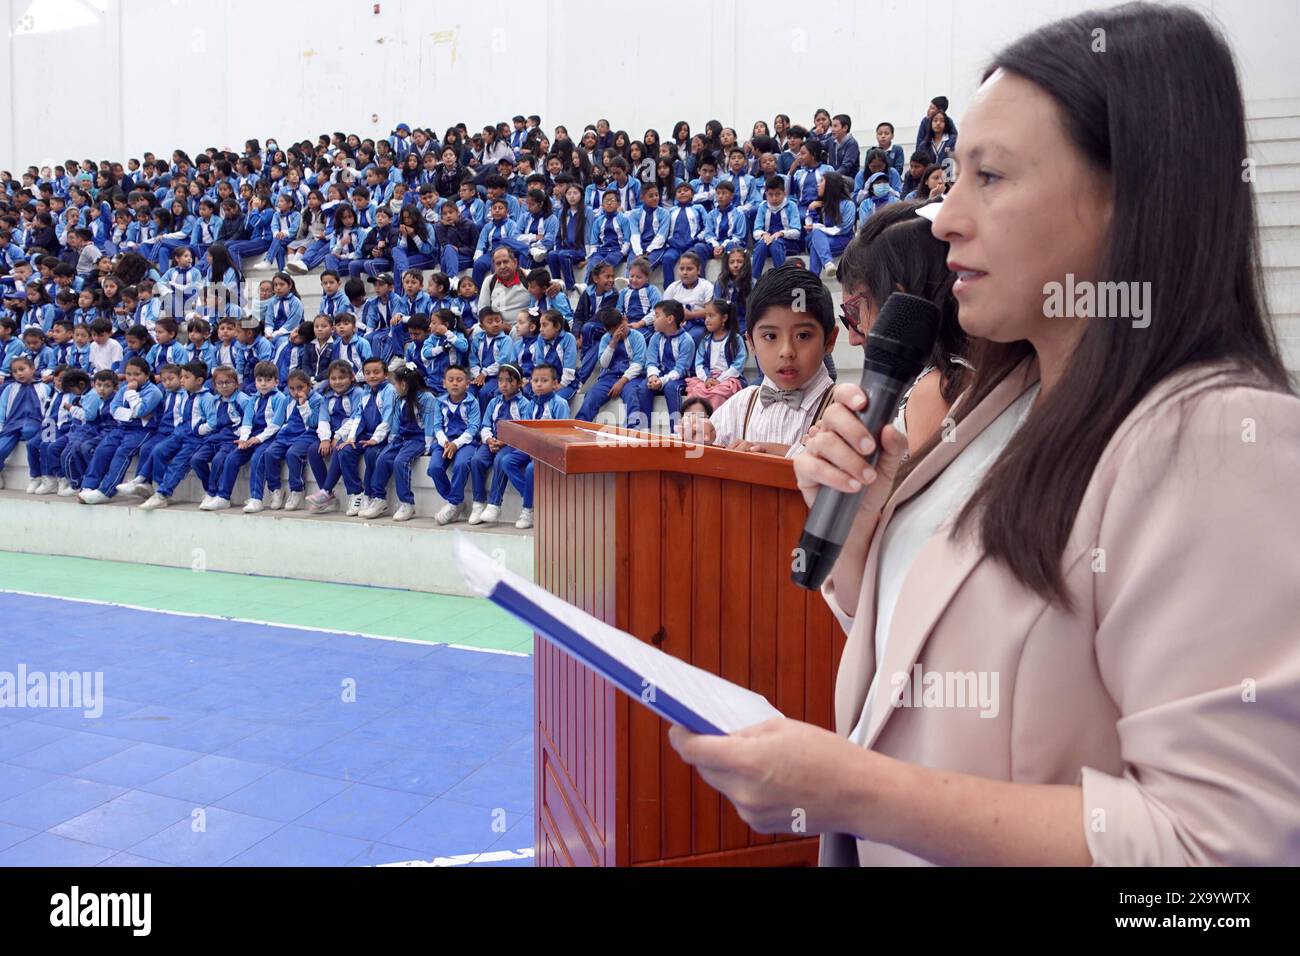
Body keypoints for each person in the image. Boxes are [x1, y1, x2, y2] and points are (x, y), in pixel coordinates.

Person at [670, 4, 1300, 867]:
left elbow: (1217, 869)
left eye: (990, 177)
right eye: (953, 175)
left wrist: (855, 791)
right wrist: (862, 524)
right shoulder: (1007, 394)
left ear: (1132, 196)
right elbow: (926, 648)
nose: (943, 218)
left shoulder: (1221, 440)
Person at [679, 263, 835, 456]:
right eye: (770, 336)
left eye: (803, 335)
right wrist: (702, 440)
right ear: (751, 343)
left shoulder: (842, 412)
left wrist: (777, 454)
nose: (786, 352)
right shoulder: (741, 404)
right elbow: (700, 459)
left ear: (830, 340)